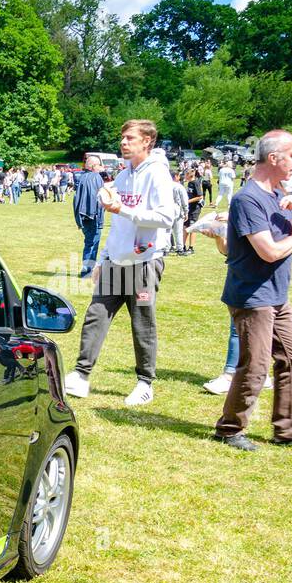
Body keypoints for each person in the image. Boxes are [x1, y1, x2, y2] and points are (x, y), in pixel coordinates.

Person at [65, 119, 180, 407]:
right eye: (122, 138)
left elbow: (167, 217)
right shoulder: (124, 174)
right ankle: (81, 375)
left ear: (147, 141)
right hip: (116, 260)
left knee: (142, 322)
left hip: (144, 260)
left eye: (130, 138)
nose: (123, 143)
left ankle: (145, 382)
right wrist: (103, 257)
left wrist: (124, 208)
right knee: (96, 314)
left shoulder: (158, 174)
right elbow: (116, 224)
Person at [204, 131, 292, 450]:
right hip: (252, 295)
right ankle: (230, 429)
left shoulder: (279, 196)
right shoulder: (248, 199)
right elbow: (270, 252)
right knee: (256, 365)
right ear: (273, 158)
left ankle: (288, 430)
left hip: (277, 294)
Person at [73, 156, 105, 276]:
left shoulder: (82, 177)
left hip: (83, 216)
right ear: (93, 166)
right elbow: (98, 198)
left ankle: (89, 268)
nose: (100, 168)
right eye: (98, 165)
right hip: (92, 216)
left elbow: (77, 199)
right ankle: (87, 270)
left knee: (89, 242)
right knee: (92, 243)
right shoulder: (96, 177)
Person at [182, 168, 202, 254]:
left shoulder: (195, 183)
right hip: (189, 208)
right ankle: (182, 246)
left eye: (185, 174)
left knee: (192, 228)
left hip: (195, 209)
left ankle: (191, 248)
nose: (184, 176)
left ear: (189, 175)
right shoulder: (189, 183)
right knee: (185, 227)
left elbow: (200, 196)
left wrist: (188, 201)